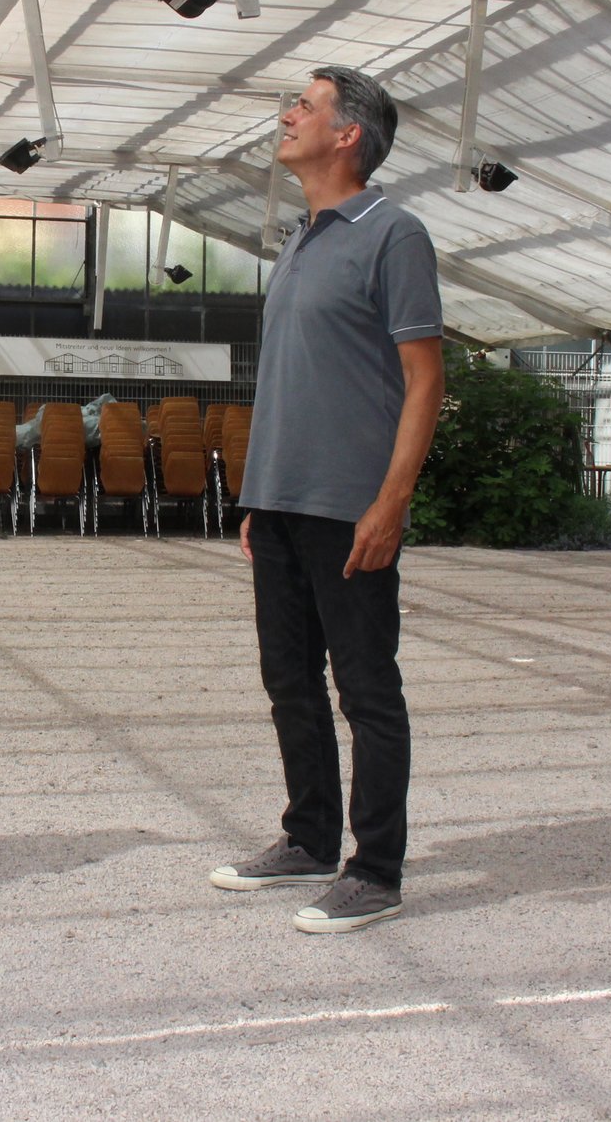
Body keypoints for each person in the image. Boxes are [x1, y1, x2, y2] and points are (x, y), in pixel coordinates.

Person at [209, 66, 445, 934]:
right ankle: (308, 836)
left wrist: (391, 501)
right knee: (289, 682)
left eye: (302, 107)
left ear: (348, 134)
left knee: (367, 689)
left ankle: (375, 868)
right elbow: (290, 380)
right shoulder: (299, 239)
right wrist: (258, 494)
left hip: (351, 504)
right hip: (279, 500)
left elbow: (425, 380)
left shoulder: (395, 235)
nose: (286, 116)